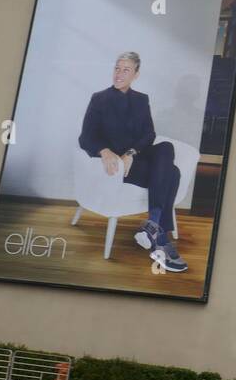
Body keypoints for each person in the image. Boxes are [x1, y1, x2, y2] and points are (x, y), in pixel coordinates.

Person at [78, 52, 187, 273]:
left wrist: (131, 152)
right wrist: (105, 151)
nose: (119, 74)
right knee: (173, 173)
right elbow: (86, 137)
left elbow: (149, 134)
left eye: (126, 70)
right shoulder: (99, 99)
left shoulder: (141, 99)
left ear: (136, 74)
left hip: (135, 160)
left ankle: (153, 226)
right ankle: (160, 237)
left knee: (166, 147)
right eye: (117, 68)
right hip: (118, 167)